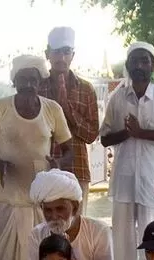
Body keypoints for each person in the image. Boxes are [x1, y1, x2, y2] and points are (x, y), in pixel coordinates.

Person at [0, 55, 72, 260]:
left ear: (40, 82)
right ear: (14, 81)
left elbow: (69, 150)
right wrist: (0, 165)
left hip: (43, 200)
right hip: (8, 198)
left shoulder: (52, 109)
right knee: (8, 259)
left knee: (42, 255)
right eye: (23, 79)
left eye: (33, 78)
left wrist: (59, 164)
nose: (28, 84)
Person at [101, 42, 154, 260]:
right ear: (127, 65)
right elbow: (104, 138)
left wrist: (140, 132)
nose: (139, 65)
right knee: (122, 242)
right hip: (124, 181)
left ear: (153, 65)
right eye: (134, 60)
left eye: (144, 60)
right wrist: (126, 134)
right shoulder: (117, 97)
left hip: (152, 179)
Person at [40, 27, 100, 210]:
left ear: (73, 55)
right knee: (45, 230)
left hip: (77, 170)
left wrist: (67, 109)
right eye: (57, 52)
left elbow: (91, 135)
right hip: (44, 170)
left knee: (76, 229)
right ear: (47, 54)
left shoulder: (86, 88)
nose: (62, 58)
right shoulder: (37, 87)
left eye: (66, 52)